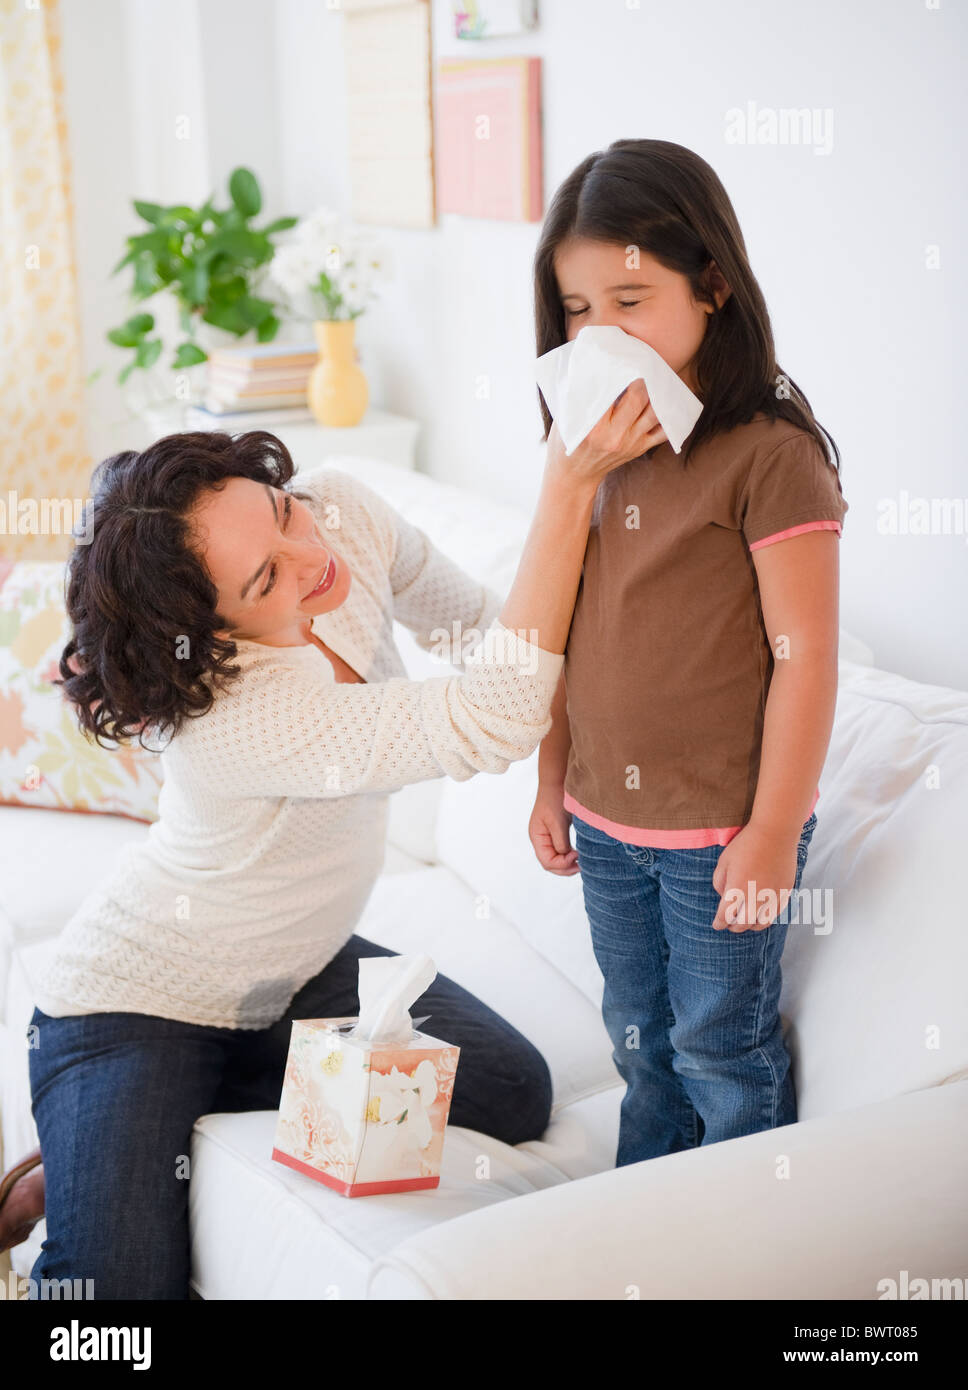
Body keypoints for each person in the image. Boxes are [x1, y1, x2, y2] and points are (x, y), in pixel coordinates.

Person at [13, 401, 665, 1299]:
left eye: (283, 513)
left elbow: (481, 634)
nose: (314, 560)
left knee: (511, 1092)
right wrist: (568, 480)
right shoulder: (239, 714)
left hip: (293, 970)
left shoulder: (343, 513)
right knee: (113, 1308)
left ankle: (118, 1138)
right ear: (210, 640)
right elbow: (493, 715)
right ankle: (106, 1125)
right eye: (266, 581)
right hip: (135, 1007)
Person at [528, 138, 848, 1166]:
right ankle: (644, 1217)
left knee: (718, 1046)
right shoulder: (587, 452)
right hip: (604, 824)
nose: (598, 334)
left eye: (629, 300)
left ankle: (739, 1242)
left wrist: (768, 831)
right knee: (639, 1042)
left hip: (719, 836)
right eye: (577, 310)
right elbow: (562, 630)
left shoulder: (769, 456)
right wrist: (549, 777)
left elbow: (805, 659)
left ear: (709, 285)